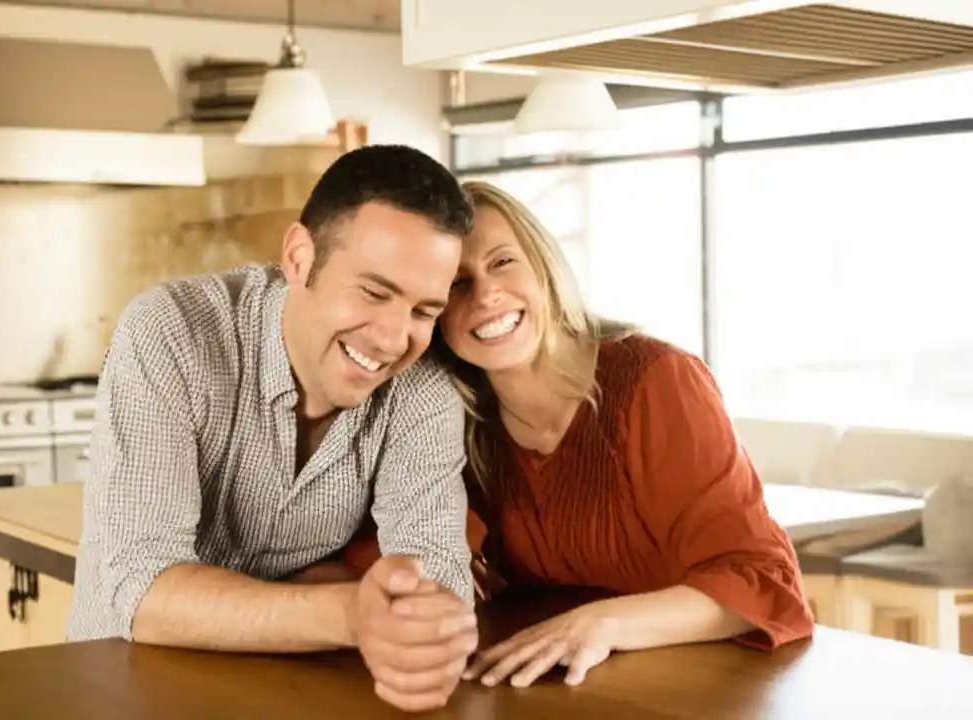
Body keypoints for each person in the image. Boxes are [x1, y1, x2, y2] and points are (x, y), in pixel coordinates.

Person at [67, 145, 481, 713]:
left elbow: (439, 590)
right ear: (298, 257)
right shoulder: (171, 332)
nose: (392, 338)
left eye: (422, 311)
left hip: (290, 698)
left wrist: (411, 621)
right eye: (374, 292)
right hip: (125, 693)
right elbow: (141, 592)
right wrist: (348, 610)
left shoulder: (422, 390)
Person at [436, 180, 815, 688]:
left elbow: (764, 583)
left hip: (708, 685)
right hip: (563, 689)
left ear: (544, 265)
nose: (485, 295)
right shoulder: (456, 418)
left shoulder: (657, 380)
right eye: (456, 283)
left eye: (502, 262)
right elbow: (427, 560)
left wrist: (603, 622)